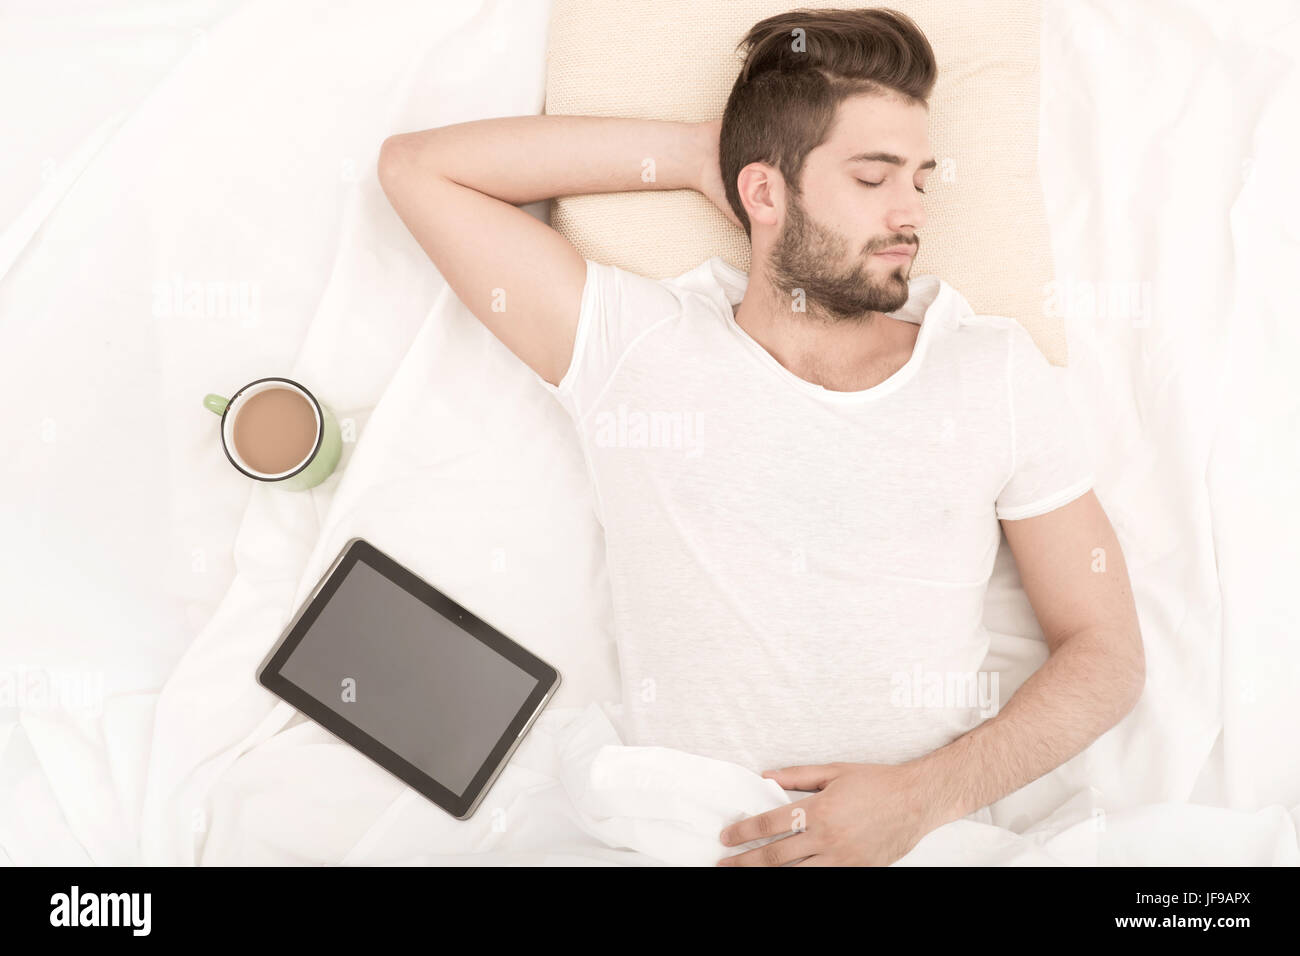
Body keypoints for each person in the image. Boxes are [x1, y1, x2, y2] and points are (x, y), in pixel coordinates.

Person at [377, 7, 1144, 866]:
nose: (911, 211)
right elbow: (418, 170)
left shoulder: (991, 371)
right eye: (873, 176)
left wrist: (923, 800)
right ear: (765, 191)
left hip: (929, 844)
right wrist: (697, 156)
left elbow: (1107, 653)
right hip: (676, 838)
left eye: (920, 178)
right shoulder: (637, 346)